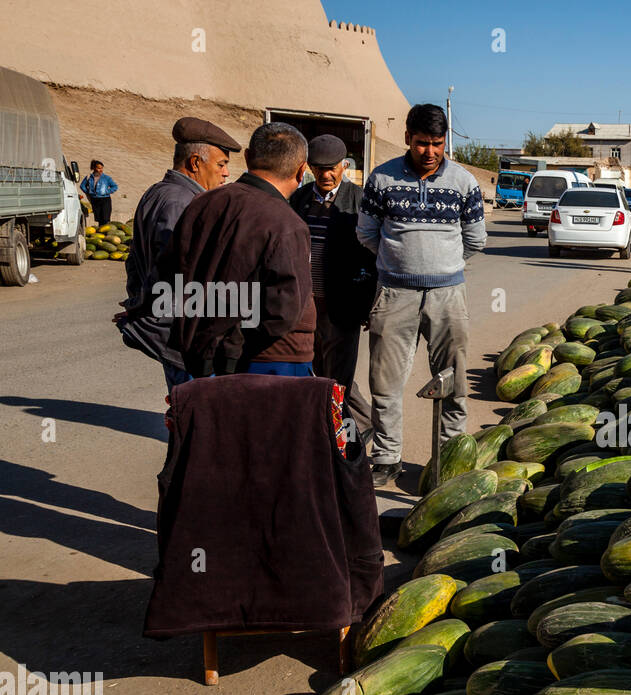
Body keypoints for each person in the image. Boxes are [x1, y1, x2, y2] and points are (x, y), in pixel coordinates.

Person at [357, 104, 487, 487]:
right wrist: (400, 263)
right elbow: (366, 233)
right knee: (385, 381)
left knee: (452, 379)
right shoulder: (381, 179)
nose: (429, 152)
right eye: (421, 144)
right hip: (394, 295)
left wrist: (443, 265)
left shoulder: (464, 182)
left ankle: (448, 459)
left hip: (448, 296)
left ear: (445, 141)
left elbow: (476, 239)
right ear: (407, 139)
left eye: (437, 144)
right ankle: (386, 457)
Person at [167, 123, 316, 378]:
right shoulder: (288, 225)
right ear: (302, 170)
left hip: (200, 351)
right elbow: (283, 312)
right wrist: (234, 338)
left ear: (247, 157)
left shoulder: (202, 203)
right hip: (267, 360)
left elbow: (170, 271)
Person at [117, 117, 241, 394]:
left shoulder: (157, 193)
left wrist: (137, 303)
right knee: (199, 421)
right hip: (184, 337)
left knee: (187, 416)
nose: (225, 174)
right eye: (221, 164)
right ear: (195, 163)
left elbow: (134, 260)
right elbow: (175, 270)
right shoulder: (184, 203)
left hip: (173, 331)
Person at [290, 134, 377, 437]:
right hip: (306, 307)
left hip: (343, 307)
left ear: (344, 166)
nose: (326, 175)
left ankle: (341, 437)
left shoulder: (360, 201)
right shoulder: (299, 200)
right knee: (321, 373)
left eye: (332, 168)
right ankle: (363, 424)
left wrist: (367, 305)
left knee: (338, 377)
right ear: (309, 168)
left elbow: (373, 256)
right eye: (318, 168)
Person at [80, 160, 119, 226]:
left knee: (106, 218)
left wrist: (106, 191)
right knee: (98, 218)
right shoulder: (89, 177)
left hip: (105, 200)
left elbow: (115, 186)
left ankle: (105, 232)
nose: (101, 170)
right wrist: (89, 192)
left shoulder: (106, 178)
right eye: (98, 168)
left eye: (101, 168)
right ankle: (100, 230)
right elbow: (82, 186)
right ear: (94, 168)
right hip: (95, 200)